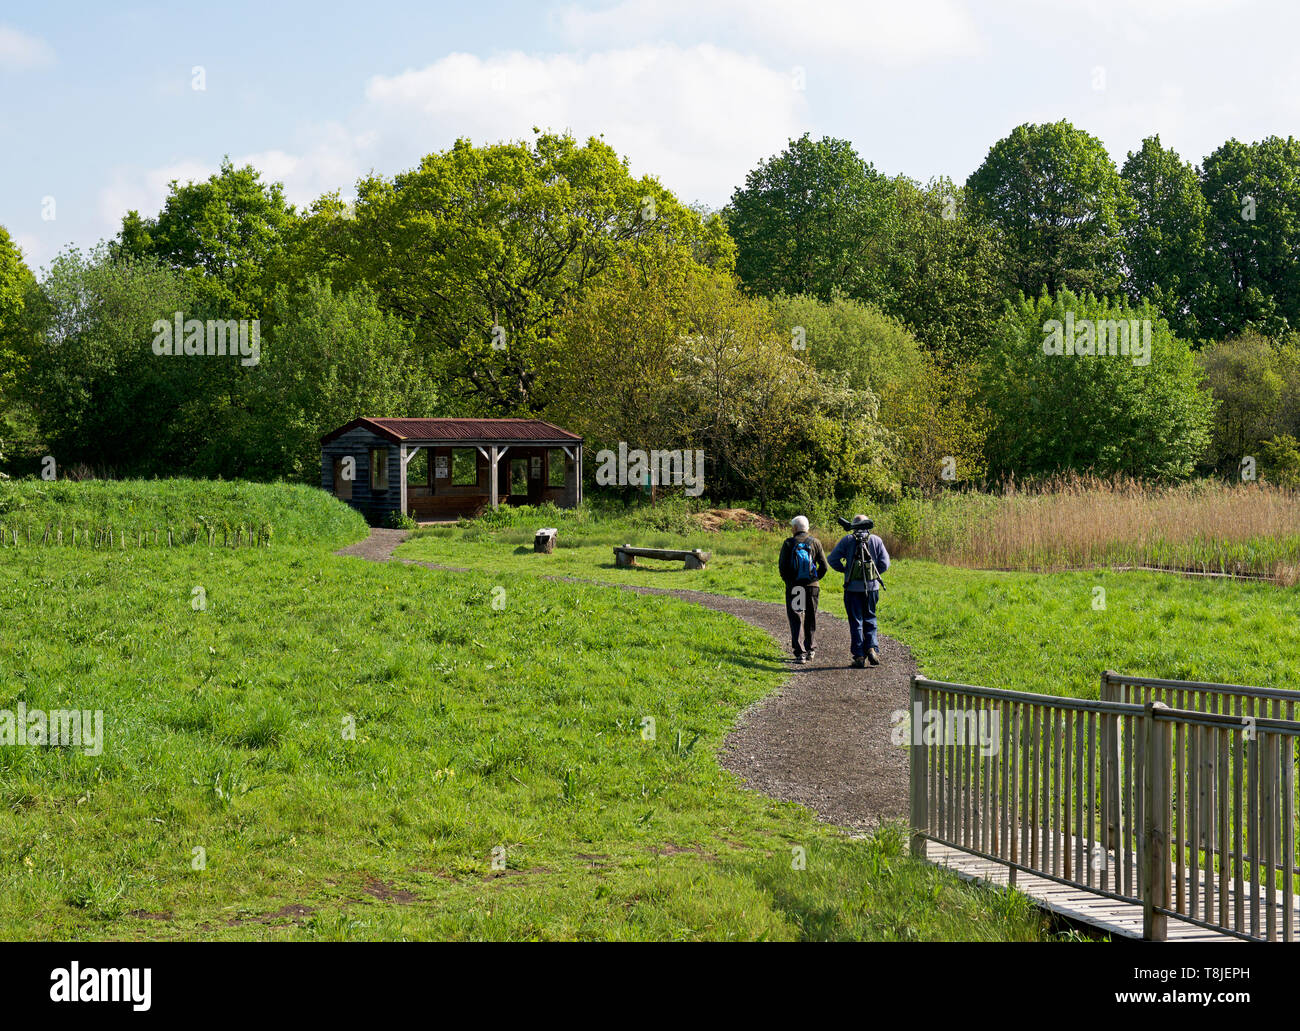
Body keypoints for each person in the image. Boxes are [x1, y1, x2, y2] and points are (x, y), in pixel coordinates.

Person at [828, 514, 890, 668]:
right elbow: (885, 564)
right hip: (872, 588)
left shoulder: (847, 540)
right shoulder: (876, 540)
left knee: (856, 620)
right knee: (870, 617)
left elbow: (832, 559)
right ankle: (871, 647)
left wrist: (846, 570)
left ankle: (859, 656)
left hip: (852, 588)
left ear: (853, 525)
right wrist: (874, 576)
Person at [777, 515, 828, 663]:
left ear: (795, 528)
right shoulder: (815, 542)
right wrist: (815, 579)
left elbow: (782, 566)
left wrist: (789, 582)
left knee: (796, 617)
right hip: (812, 587)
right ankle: (811, 649)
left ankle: (800, 653)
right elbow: (824, 566)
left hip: (795, 587)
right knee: (811, 617)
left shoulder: (788, 543)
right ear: (807, 528)